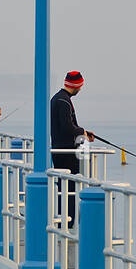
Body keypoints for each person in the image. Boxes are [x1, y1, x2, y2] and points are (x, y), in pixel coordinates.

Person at [50, 70, 93, 227]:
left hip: (60, 149)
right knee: (70, 188)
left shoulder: (58, 98)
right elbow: (67, 127)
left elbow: (67, 126)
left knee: (64, 189)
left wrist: (84, 132)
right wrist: (82, 132)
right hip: (66, 151)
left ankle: (66, 222)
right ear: (75, 85)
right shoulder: (64, 101)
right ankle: (68, 224)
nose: (80, 89)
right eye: (80, 86)